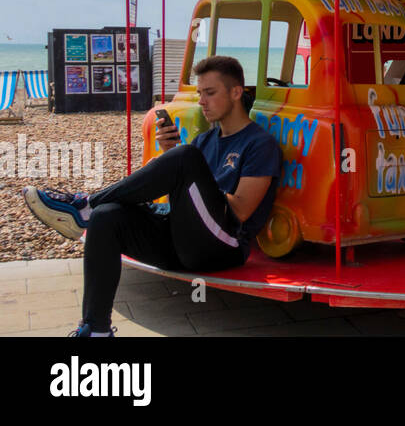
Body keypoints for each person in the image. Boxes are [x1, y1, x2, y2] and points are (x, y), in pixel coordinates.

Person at [22, 56, 280, 336]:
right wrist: (177, 169)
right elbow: (183, 203)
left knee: (184, 157)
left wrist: (189, 177)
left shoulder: (259, 144)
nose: (202, 101)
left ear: (236, 92)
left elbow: (241, 211)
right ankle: (96, 329)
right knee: (106, 218)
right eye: (199, 94)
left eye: (210, 93)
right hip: (182, 242)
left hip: (224, 246)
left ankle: (86, 204)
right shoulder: (205, 140)